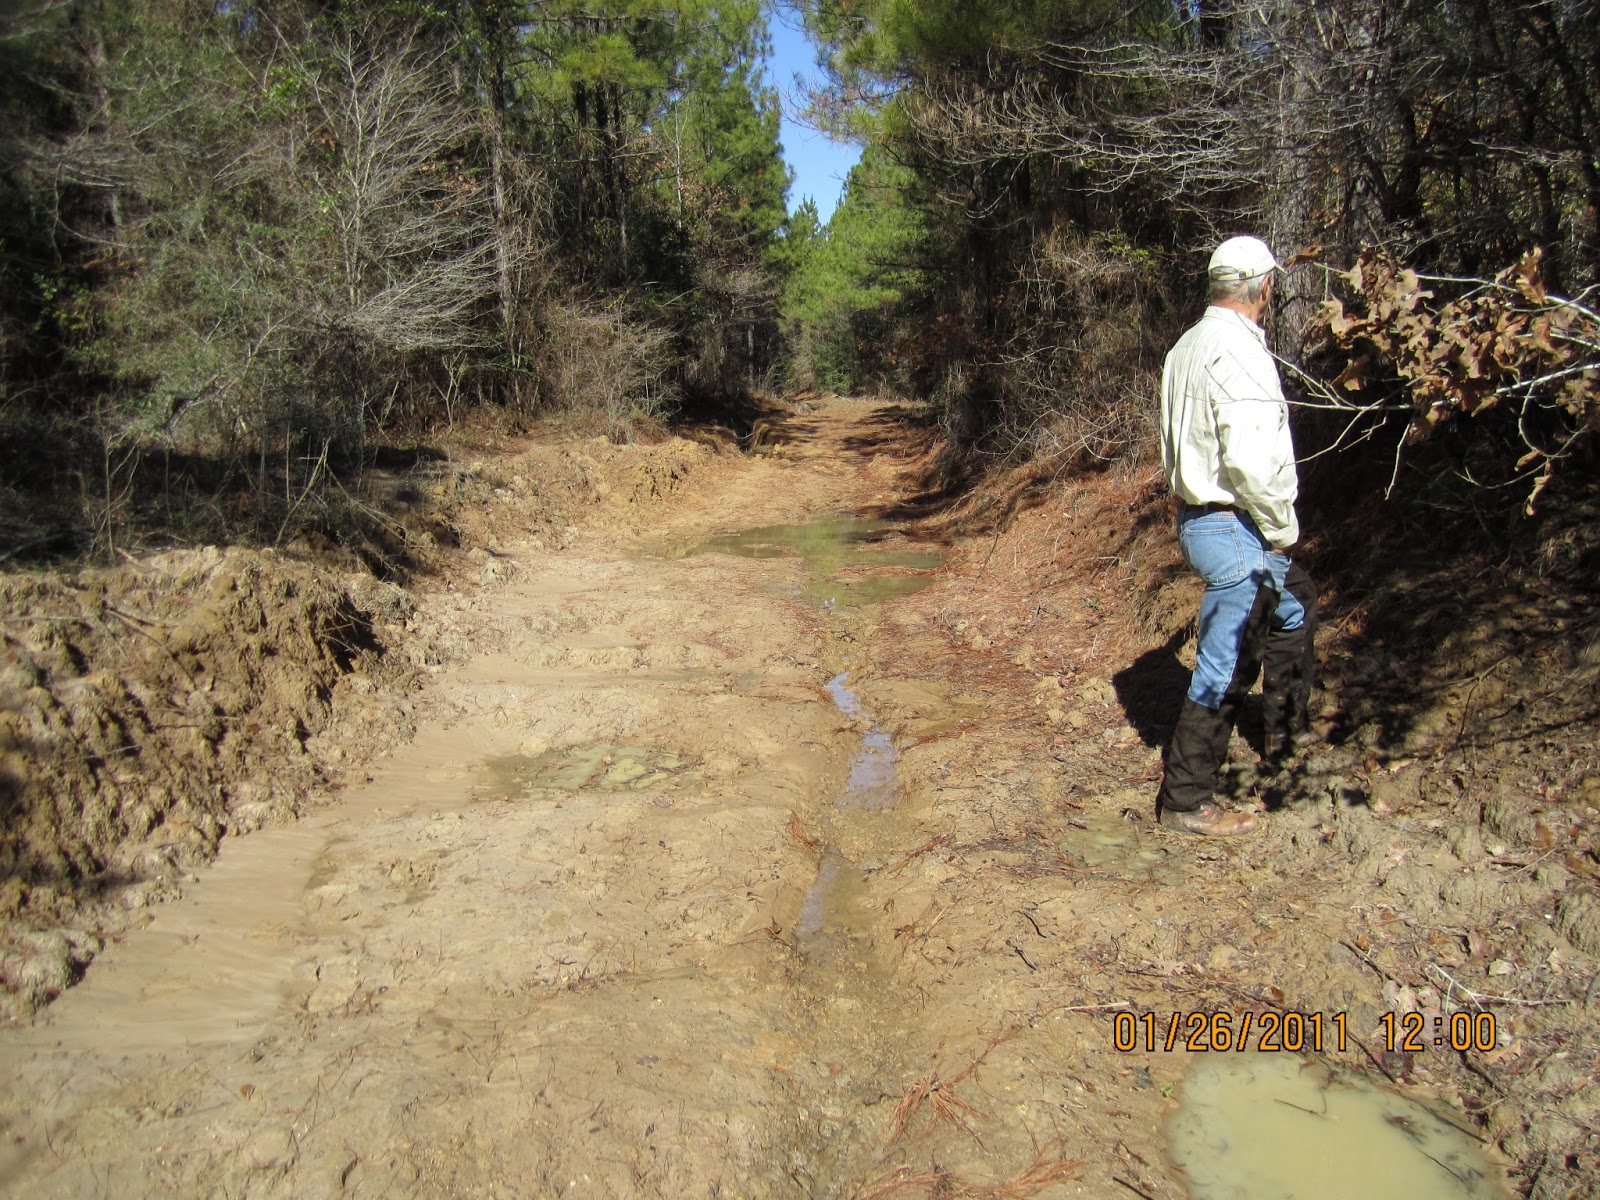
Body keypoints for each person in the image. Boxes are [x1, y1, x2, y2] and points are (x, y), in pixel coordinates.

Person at [1154, 235, 1318, 836]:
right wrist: (1280, 529)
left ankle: (1285, 740)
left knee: (1297, 605)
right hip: (1234, 524)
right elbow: (1250, 462)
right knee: (1224, 666)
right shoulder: (1239, 352)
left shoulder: (1185, 347)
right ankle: (1186, 802)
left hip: (1203, 519)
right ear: (1262, 287)